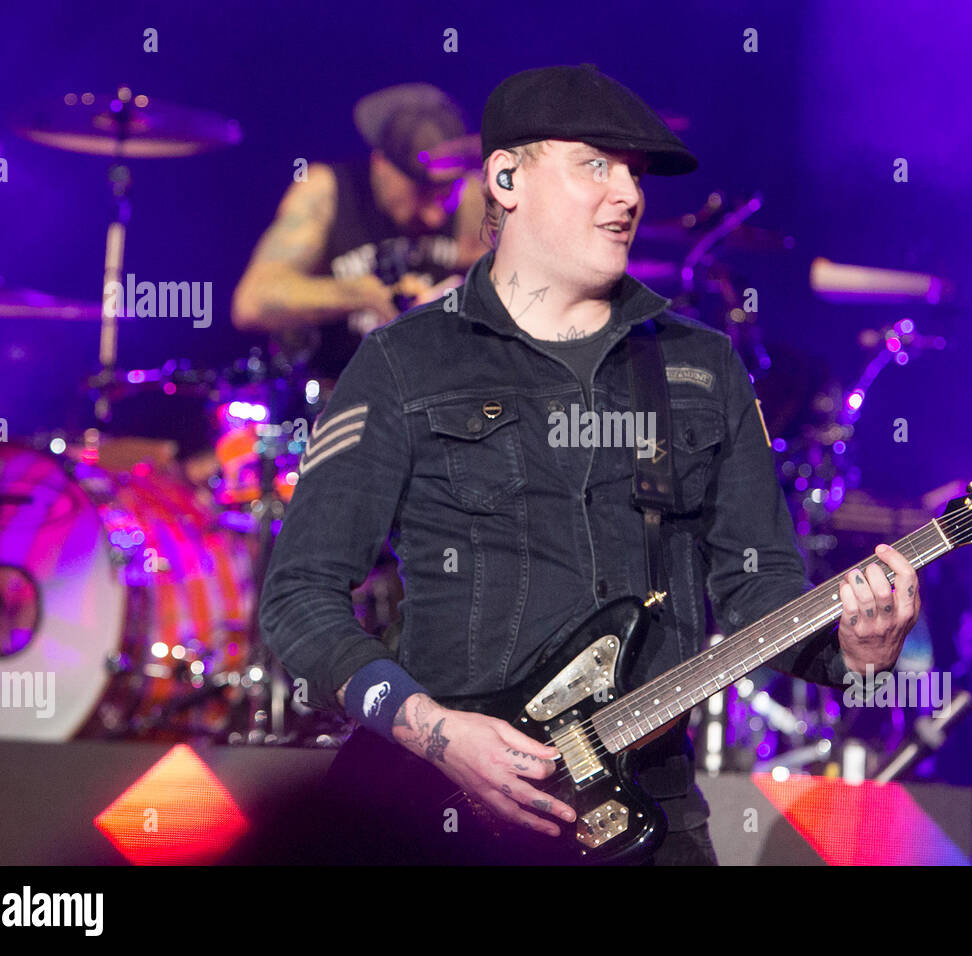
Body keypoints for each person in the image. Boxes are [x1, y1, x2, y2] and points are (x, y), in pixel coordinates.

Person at [259, 63, 920, 865]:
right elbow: (299, 595)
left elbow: (759, 590)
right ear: (505, 178)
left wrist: (854, 654)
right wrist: (435, 732)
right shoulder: (405, 361)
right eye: (596, 165)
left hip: (652, 804)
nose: (629, 195)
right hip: (447, 810)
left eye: (635, 174)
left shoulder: (701, 366)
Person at [232, 82, 487, 378]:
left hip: (442, 396)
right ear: (381, 164)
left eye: (446, 195)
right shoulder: (327, 192)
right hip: (341, 397)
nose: (435, 216)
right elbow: (251, 302)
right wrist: (360, 294)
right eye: (421, 193)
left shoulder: (472, 196)